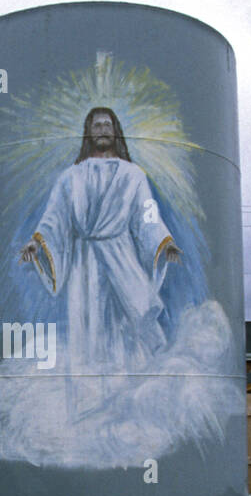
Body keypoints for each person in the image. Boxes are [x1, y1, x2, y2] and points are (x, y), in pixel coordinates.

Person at [19, 107, 182, 374]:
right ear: (88, 132)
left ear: (115, 131)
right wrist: (37, 243)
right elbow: (55, 216)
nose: (103, 130)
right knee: (88, 326)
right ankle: (92, 392)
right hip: (85, 265)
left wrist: (164, 242)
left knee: (127, 324)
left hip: (122, 258)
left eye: (108, 125)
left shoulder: (133, 174)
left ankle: (130, 388)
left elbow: (147, 213)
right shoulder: (71, 177)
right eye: (97, 125)